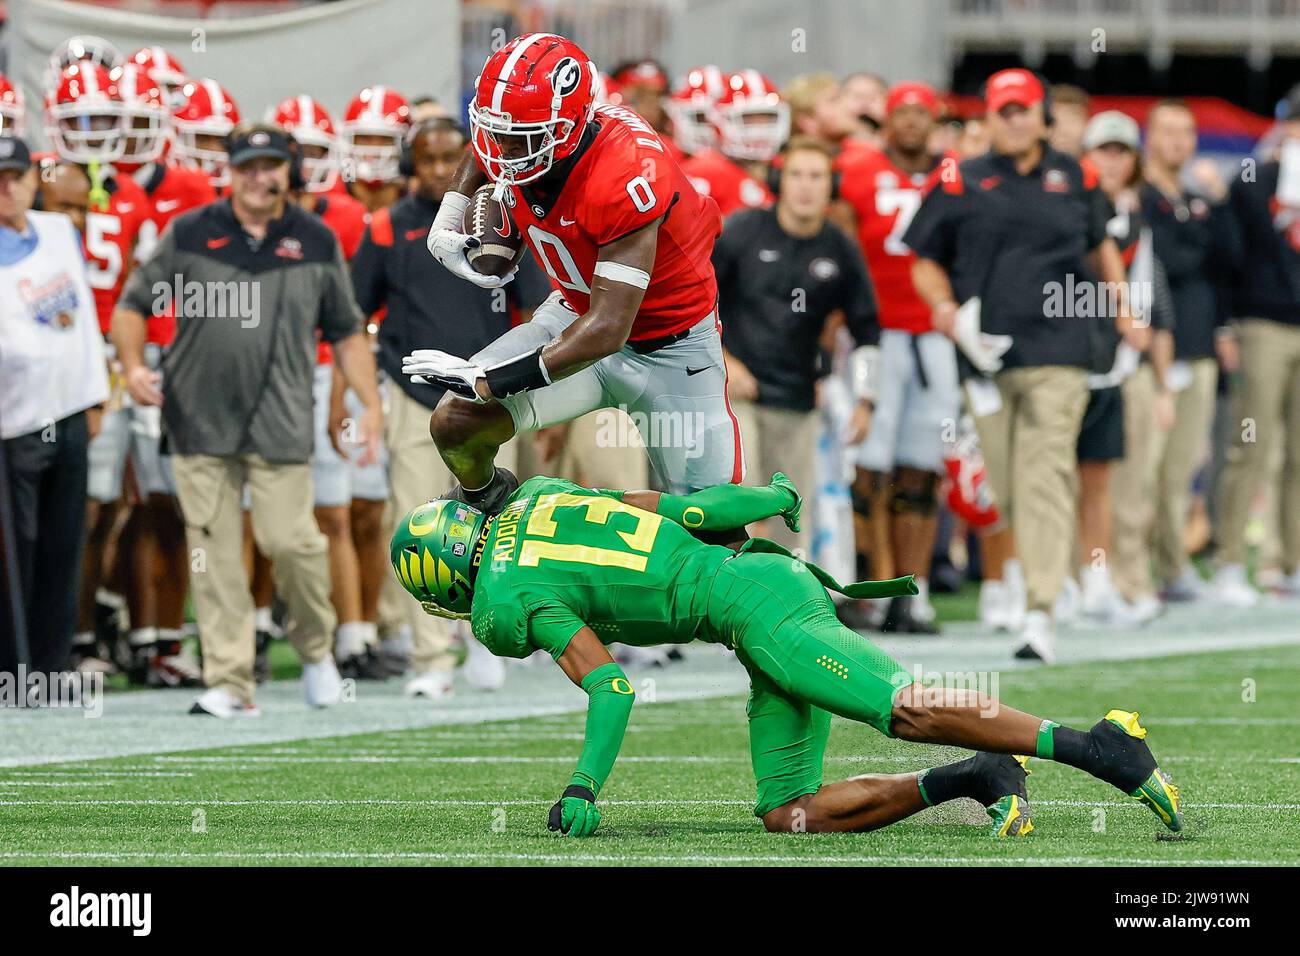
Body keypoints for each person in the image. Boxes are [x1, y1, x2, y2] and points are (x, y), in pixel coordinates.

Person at [389, 473, 1183, 839]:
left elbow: (613, 686)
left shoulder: (501, 602)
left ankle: (1097, 746)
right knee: (789, 814)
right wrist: (770, 498)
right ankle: (974, 777)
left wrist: (582, 787)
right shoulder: (536, 497)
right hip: (755, 591)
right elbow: (688, 509)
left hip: (755, 607)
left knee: (902, 710)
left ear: (449, 581)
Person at [113, 122, 383, 717]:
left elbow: (345, 329)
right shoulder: (189, 232)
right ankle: (231, 682)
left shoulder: (314, 238)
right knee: (213, 553)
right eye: (247, 166)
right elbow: (134, 303)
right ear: (229, 172)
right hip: (197, 421)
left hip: (281, 420)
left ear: (289, 168)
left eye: (271, 164)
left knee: (291, 543)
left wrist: (371, 407)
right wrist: (132, 366)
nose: (260, 176)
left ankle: (317, 650)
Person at [413, 35, 738, 528]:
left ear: (566, 131)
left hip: (669, 349)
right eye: (497, 133)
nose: (502, 154)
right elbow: (487, 144)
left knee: (713, 526)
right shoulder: (529, 136)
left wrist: (491, 380)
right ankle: (495, 514)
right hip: (573, 312)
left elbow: (610, 330)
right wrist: (452, 209)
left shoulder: (627, 171)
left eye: (519, 138)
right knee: (457, 422)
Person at [906, 69, 1139, 663]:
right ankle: (1047, 574)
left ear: (1043, 115)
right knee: (1005, 487)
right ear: (987, 117)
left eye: (1024, 110)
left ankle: (1040, 611)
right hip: (983, 357)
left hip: (1060, 350)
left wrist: (1121, 306)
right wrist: (947, 313)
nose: (1015, 120)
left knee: (1043, 470)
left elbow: (1099, 244)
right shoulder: (959, 176)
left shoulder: (1076, 174)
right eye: (1004, 111)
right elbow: (923, 259)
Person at [351, 115, 551, 698]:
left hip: (487, 391)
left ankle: (487, 639)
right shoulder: (387, 227)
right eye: (429, 159)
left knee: (493, 523)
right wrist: (368, 389)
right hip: (413, 391)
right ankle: (430, 656)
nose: (440, 170)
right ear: (412, 164)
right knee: (417, 523)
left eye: (449, 158)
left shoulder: (502, 216)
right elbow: (354, 312)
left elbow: (538, 310)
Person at [713, 137, 878, 553]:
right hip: (734, 395)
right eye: (797, 175)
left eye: (816, 176)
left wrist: (867, 399)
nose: (806, 186)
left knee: (791, 513)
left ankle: (788, 605)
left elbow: (868, 328)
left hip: (797, 397)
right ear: (778, 181)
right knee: (739, 504)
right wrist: (725, 360)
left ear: (832, 186)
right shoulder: (741, 231)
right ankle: (731, 600)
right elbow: (697, 302)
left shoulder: (839, 248)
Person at [839, 81, 957, 633]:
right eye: (901, 112)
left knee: (922, 472)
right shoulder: (858, 170)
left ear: (933, 119)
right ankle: (870, 590)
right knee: (867, 470)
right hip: (875, 334)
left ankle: (914, 591)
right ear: (887, 120)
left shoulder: (956, 173)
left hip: (935, 336)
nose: (911, 121)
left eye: (920, 112)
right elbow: (840, 248)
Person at [0, 137, 108, 674]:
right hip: (12, 419)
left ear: (30, 180)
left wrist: (96, 394)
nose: (7, 188)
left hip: (67, 408)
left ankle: (52, 661)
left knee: (66, 540)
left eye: (15, 176)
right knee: (17, 547)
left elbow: (83, 315)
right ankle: (13, 666)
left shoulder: (60, 232)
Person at [1078, 111, 1176, 625]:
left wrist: (1163, 381)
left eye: (1121, 151)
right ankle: (1065, 583)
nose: (1112, 160)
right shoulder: (1068, 208)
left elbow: (1153, 303)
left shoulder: (1139, 219)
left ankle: (1116, 579)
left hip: (1118, 367)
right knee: (1059, 483)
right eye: (1103, 150)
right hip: (1068, 361)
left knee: (1119, 483)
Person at [1140, 100, 1239, 603]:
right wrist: (1200, 226)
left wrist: (1217, 205)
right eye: (1168, 132)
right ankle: (1136, 569)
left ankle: (1174, 565)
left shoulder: (1197, 199)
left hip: (1197, 345)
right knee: (1145, 466)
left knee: (1181, 468)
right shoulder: (1142, 196)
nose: (1178, 142)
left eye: (1186, 132)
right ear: (1150, 138)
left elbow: (1228, 260)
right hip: (1157, 346)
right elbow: (1171, 262)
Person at [1214, 87, 1300, 602]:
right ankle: (1228, 560)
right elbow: (1227, 256)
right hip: (1263, 323)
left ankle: (1289, 561)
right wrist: (1227, 323)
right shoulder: (1255, 180)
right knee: (1250, 444)